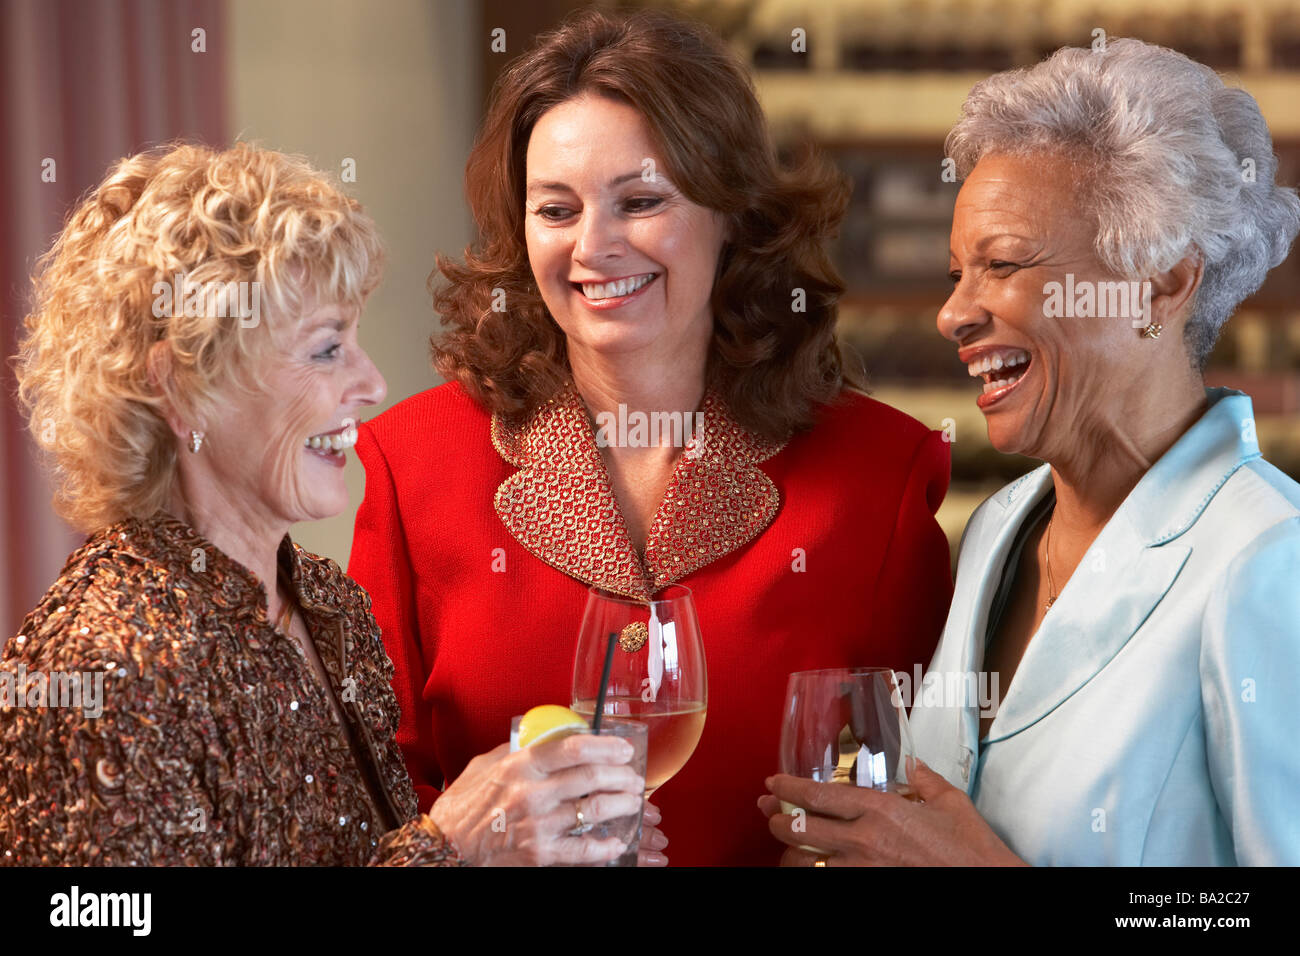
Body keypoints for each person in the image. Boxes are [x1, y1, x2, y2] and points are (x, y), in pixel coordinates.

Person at [349, 7, 954, 866]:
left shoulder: (882, 474)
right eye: (555, 210)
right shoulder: (411, 464)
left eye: (640, 202)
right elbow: (365, 810)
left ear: (732, 215)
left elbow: (913, 802)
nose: (593, 248)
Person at [2, 141, 652, 866]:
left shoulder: (326, 603)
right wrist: (451, 850)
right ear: (180, 386)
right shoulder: (98, 670)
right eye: (324, 349)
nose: (372, 384)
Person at [760, 38, 1300, 865]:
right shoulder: (1000, 528)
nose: (952, 315)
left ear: (1160, 283)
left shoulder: (1270, 559)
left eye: (1003, 265)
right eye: (955, 274)